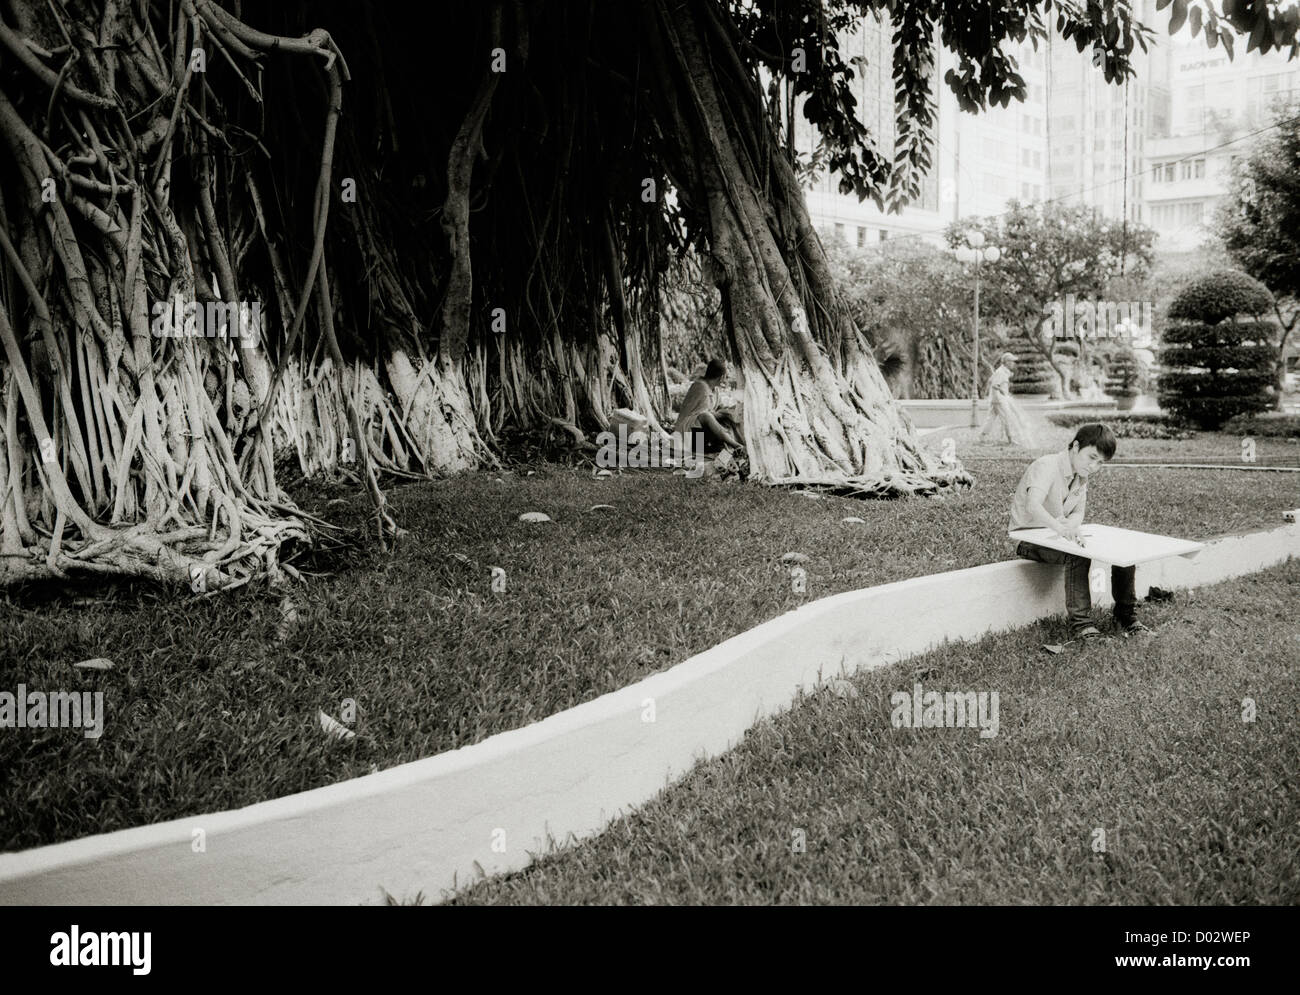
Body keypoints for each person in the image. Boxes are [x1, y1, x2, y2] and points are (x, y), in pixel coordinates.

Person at [1009, 423, 1151, 640]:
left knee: (1123, 550)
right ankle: (1082, 625)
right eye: (1091, 457)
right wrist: (1062, 528)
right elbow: (1033, 506)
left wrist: (1071, 528)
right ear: (1075, 447)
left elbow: (1077, 513)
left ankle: (1126, 615)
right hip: (1028, 538)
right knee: (1078, 555)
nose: (1094, 466)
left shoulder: (1081, 475)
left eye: (1100, 463)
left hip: (1055, 537)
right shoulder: (1047, 465)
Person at [672, 357, 745, 457]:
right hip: (687, 434)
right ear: (722, 377)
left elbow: (719, 408)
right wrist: (724, 413)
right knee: (707, 416)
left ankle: (739, 446)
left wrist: (731, 410)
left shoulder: (715, 390)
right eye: (725, 376)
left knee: (729, 417)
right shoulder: (700, 387)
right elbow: (704, 415)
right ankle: (735, 445)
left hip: (701, 435)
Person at [980, 352, 1035, 447]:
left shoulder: (1002, 371)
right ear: (1006, 362)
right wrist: (1002, 391)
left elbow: (990, 380)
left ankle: (983, 436)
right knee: (1006, 418)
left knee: (991, 418)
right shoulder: (1001, 372)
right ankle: (1010, 439)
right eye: (1012, 361)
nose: (1013, 363)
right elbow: (994, 385)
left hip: (996, 399)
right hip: (999, 400)